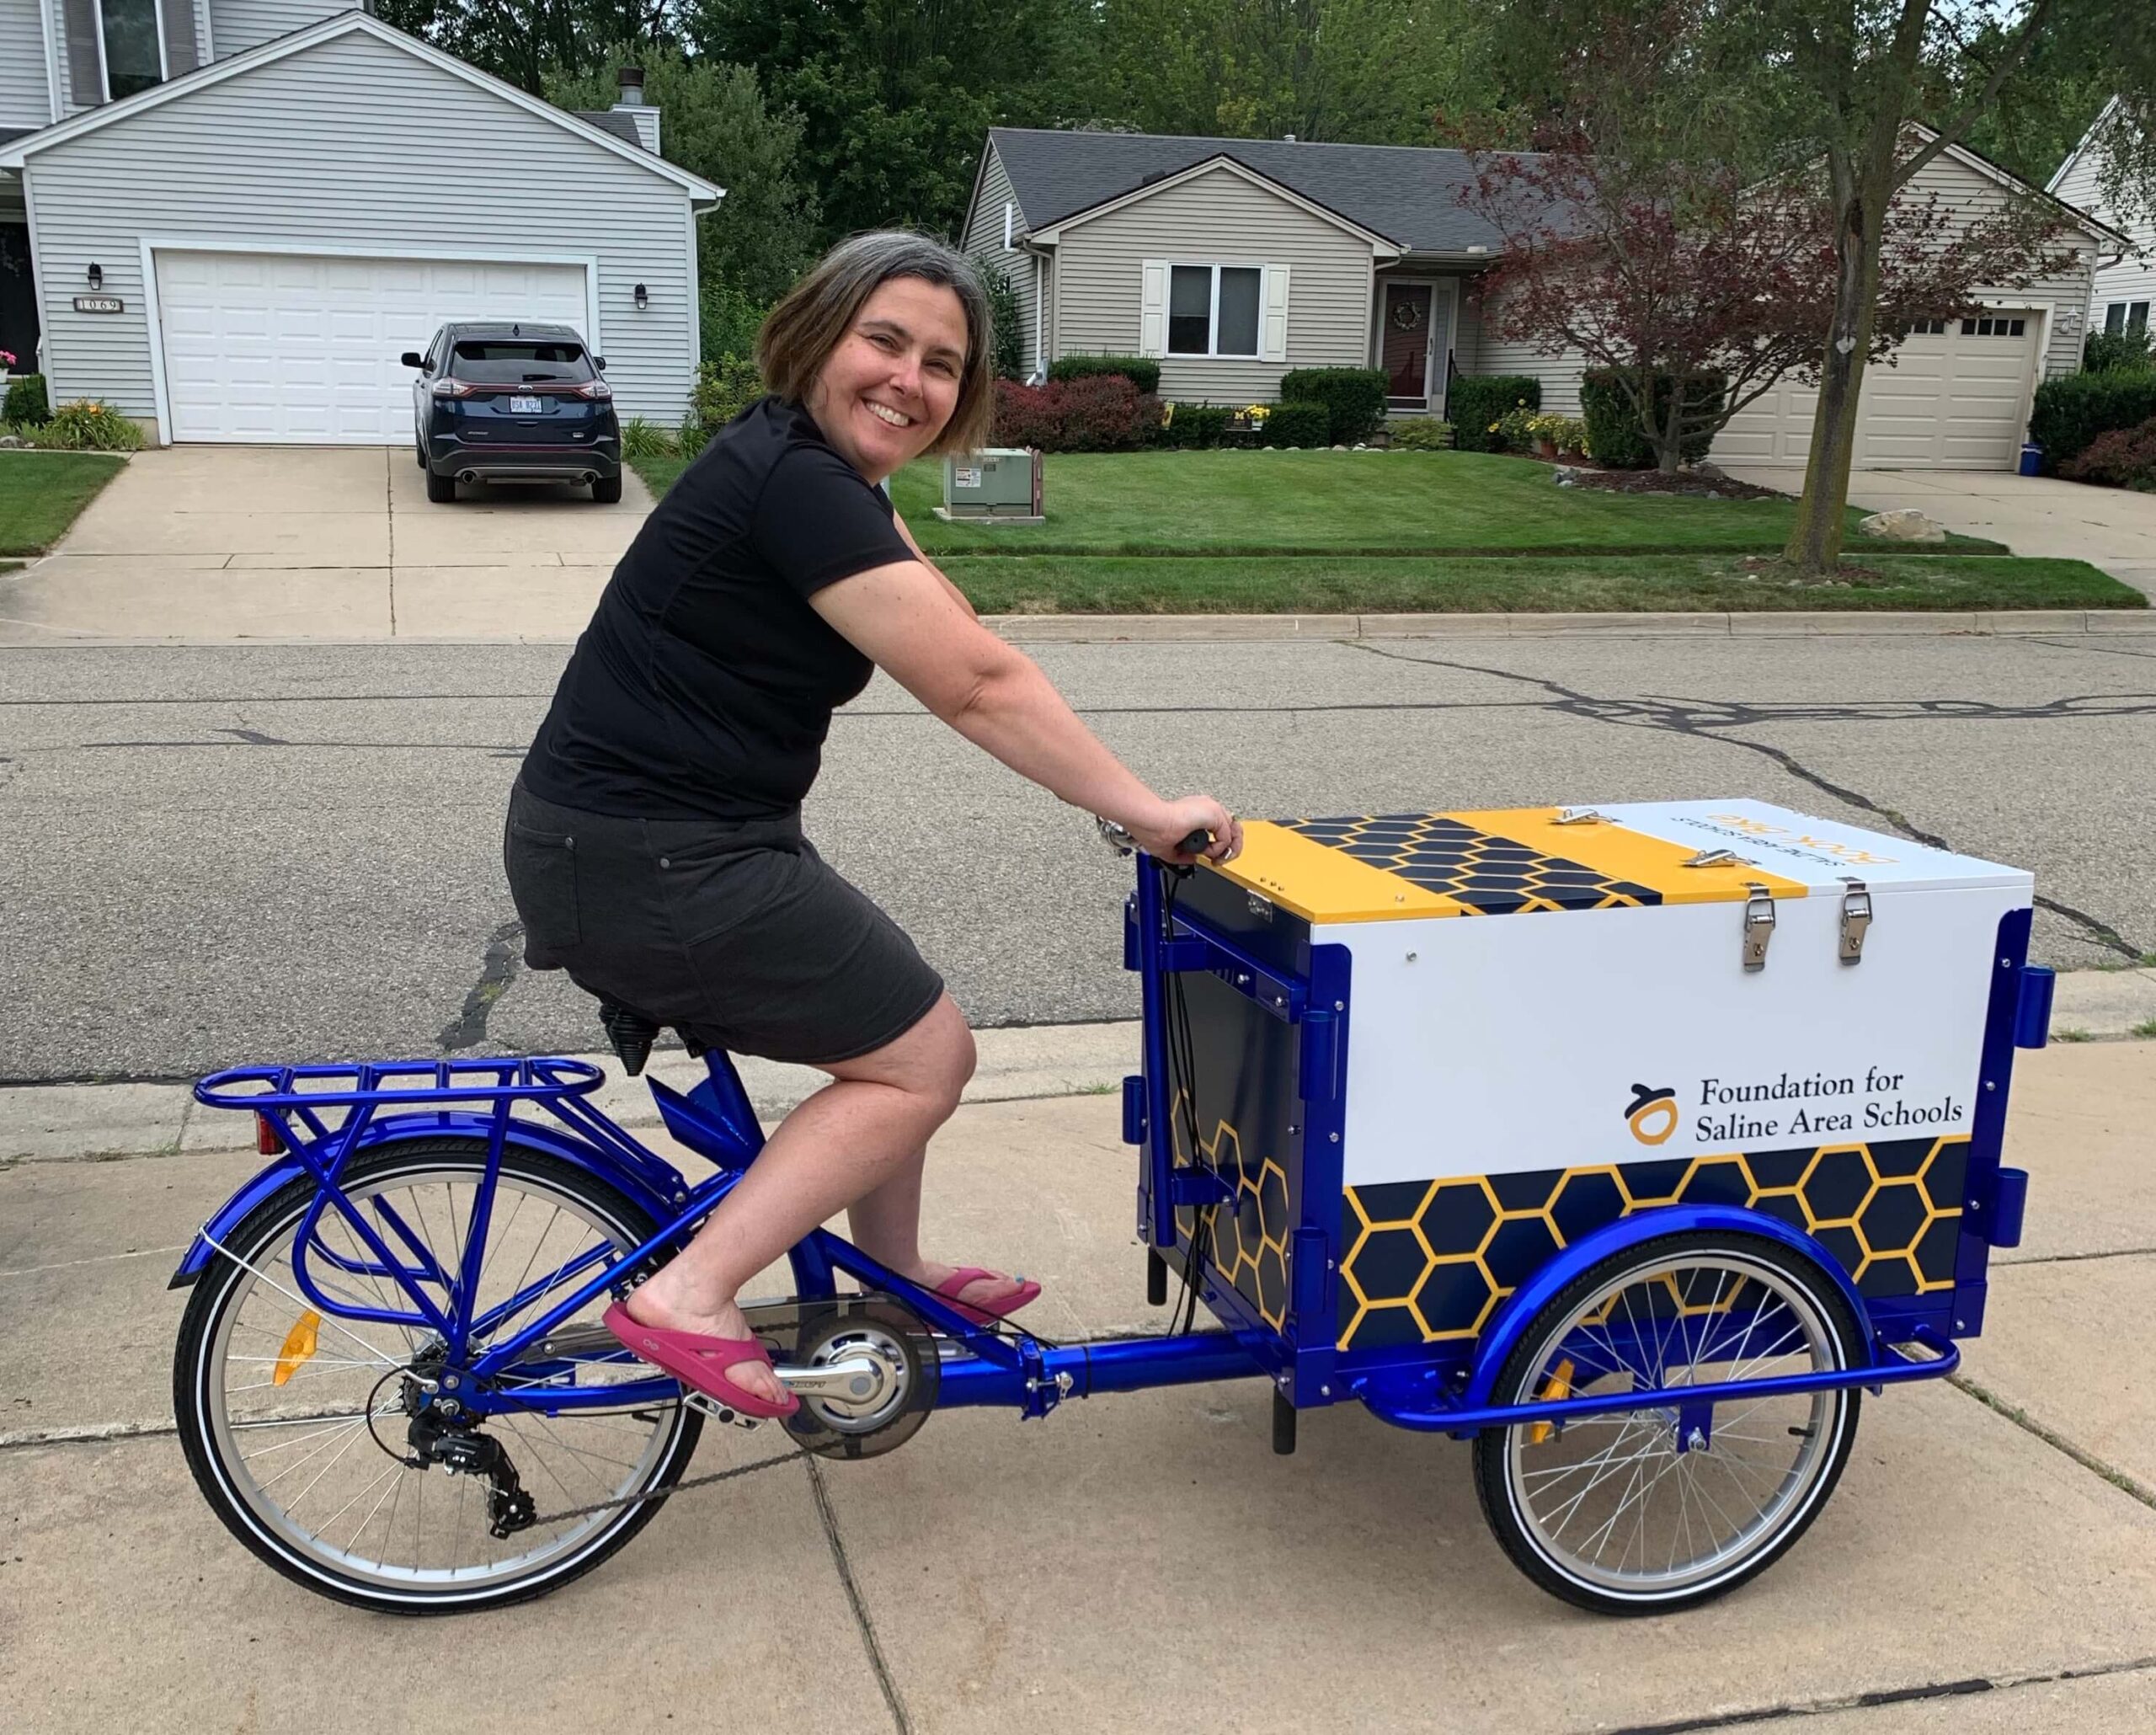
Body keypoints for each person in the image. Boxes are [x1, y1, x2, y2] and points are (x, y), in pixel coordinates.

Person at [504, 231, 1241, 1418]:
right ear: (817, 337)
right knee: (924, 1059)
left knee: (898, 1017)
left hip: (656, 838)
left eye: (942, 364)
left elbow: (946, 618)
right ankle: (688, 1294)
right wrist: (1149, 812)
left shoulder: (808, 468)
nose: (910, 380)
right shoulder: (794, 482)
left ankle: (890, 1280)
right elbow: (976, 686)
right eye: (884, 342)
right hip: (656, 856)